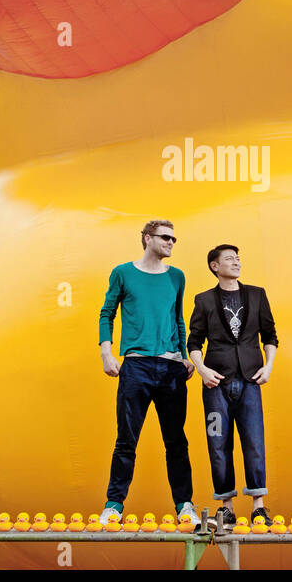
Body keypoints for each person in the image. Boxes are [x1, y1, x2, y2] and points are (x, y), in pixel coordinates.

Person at [98, 219, 197, 526]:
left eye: (174, 238)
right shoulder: (122, 273)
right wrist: (106, 352)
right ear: (147, 238)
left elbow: (178, 318)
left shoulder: (177, 277)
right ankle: (113, 505)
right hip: (136, 366)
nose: (171, 242)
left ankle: (184, 505)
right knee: (127, 439)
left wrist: (185, 356)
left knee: (176, 441)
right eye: (165, 237)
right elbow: (107, 312)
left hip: (170, 368)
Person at [187, 244, 278, 529]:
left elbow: (271, 335)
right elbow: (193, 342)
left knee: (254, 441)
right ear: (215, 266)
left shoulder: (256, 294)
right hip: (216, 386)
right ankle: (225, 507)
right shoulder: (203, 300)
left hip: (250, 381)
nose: (236, 262)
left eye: (238, 258)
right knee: (218, 444)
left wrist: (269, 365)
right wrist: (202, 370)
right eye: (229, 258)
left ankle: (258, 506)